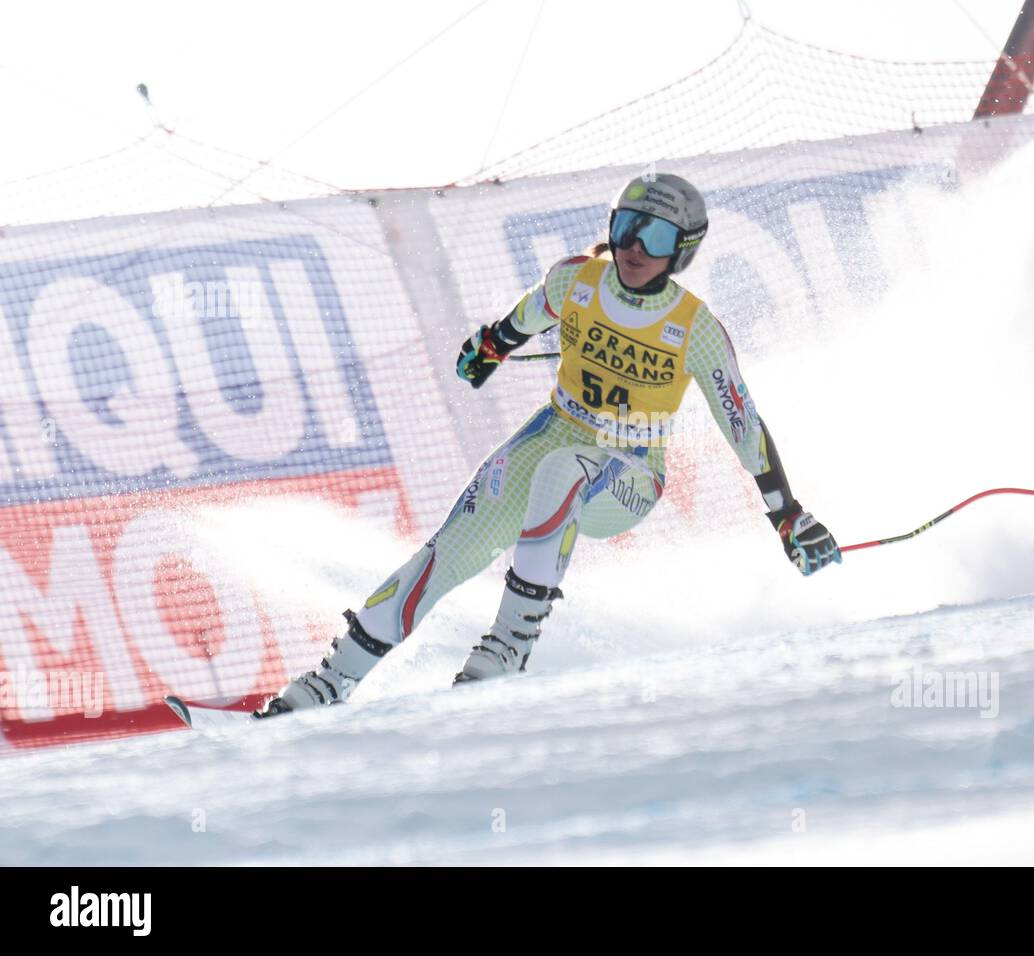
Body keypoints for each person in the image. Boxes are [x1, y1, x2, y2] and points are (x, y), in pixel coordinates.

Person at [255, 173, 840, 717]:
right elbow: (522, 319)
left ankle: (508, 648)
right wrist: (489, 350)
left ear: (682, 250)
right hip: (553, 431)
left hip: (631, 470)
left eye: (656, 235)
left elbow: (742, 422)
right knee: (449, 546)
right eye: (625, 227)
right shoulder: (576, 280)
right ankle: (328, 683)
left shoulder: (694, 327)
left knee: (565, 469)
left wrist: (787, 513)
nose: (635, 246)